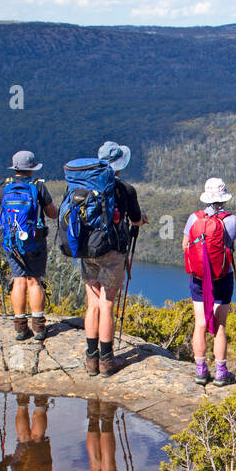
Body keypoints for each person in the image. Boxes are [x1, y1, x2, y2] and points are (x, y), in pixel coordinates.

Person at [79, 141, 147, 376]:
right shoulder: (125, 189)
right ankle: (107, 360)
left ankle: (91, 360)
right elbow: (136, 218)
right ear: (119, 165)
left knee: (93, 303)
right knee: (107, 303)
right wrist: (140, 220)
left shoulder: (83, 187)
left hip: (87, 251)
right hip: (112, 252)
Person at [183, 177, 236, 386]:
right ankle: (221, 372)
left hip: (199, 278)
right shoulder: (232, 220)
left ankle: (200, 370)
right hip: (222, 278)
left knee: (200, 324)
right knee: (219, 325)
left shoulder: (193, 219)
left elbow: (185, 246)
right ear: (224, 198)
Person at [0, 150, 58, 341]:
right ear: (31, 169)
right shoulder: (38, 188)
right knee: (34, 280)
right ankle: (38, 327)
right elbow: (52, 213)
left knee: (19, 280)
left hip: (11, 241)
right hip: (34, 242)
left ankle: (20, 327)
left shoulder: (3, 187)